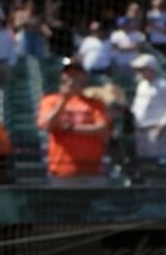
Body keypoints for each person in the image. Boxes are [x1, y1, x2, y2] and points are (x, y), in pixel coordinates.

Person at [37, 57, 113, 186]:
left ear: (84, 77)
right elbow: (47, 124)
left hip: (92, 170)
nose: (73, 78)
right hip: (62, 169)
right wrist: (64, 100)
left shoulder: (95, 103)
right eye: (69, 74)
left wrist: (69, 128)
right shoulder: (51, 100)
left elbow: (102, 128)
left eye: (77, 74)